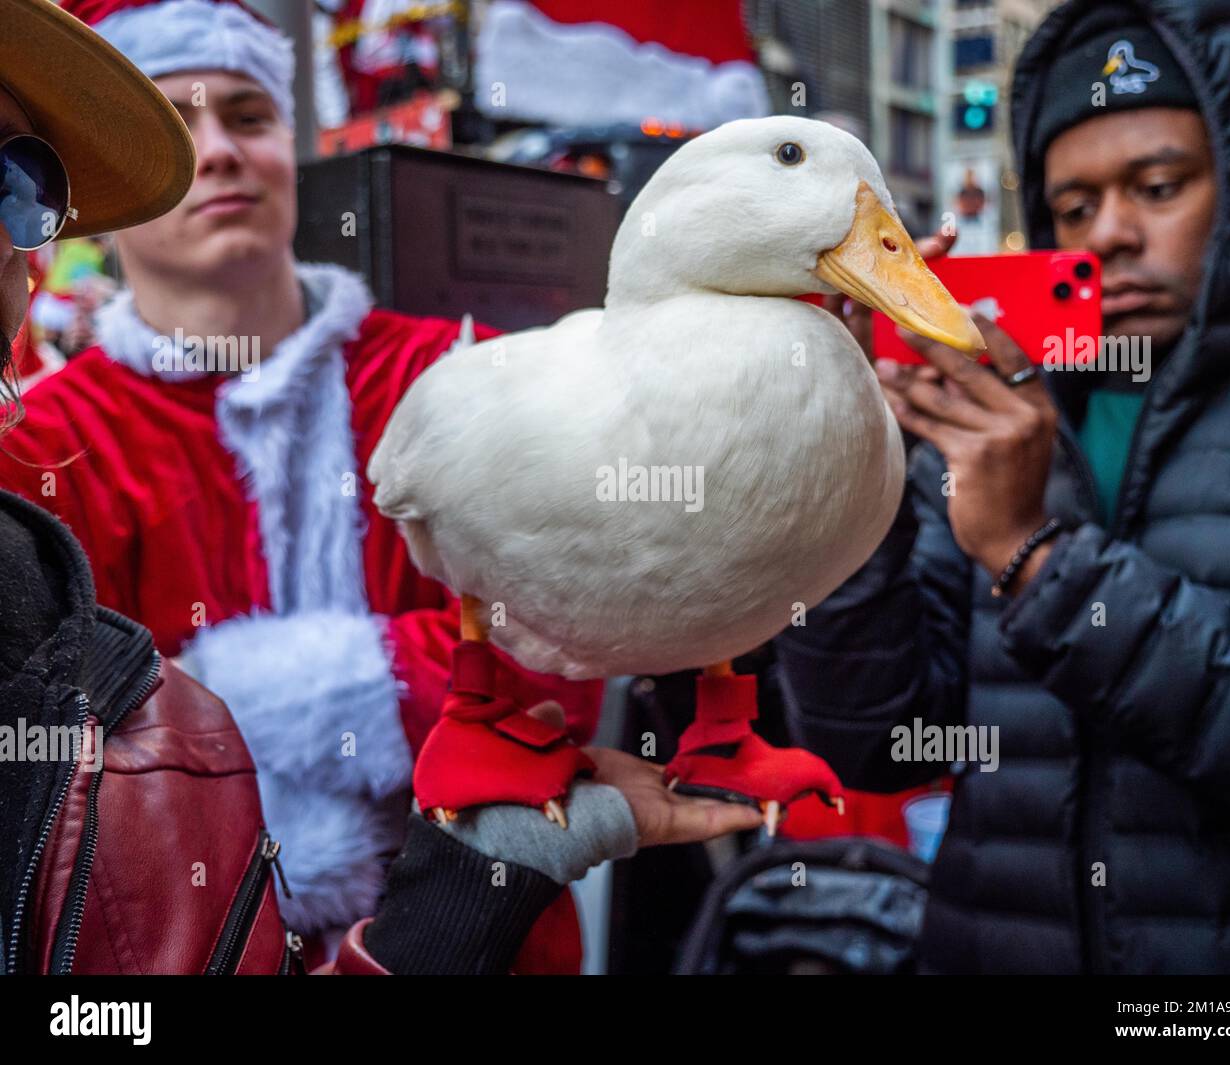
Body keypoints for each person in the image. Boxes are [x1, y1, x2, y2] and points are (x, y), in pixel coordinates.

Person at [0, 0, 759, 976]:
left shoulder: (458, 370)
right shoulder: (44, 439)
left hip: (494, 934)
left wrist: (262, 691)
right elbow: (73, 778)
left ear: (293, 145)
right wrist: (421, 679)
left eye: (248, 113)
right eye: (184, 126)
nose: (222, 151)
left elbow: (557, 655)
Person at [776, 0, 1230, 973]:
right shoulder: (1010, 410)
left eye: (1156, 185)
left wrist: (1039, 559)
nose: (1110, 233)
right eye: (1071, 207)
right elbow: (884, 745)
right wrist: (855, 482)